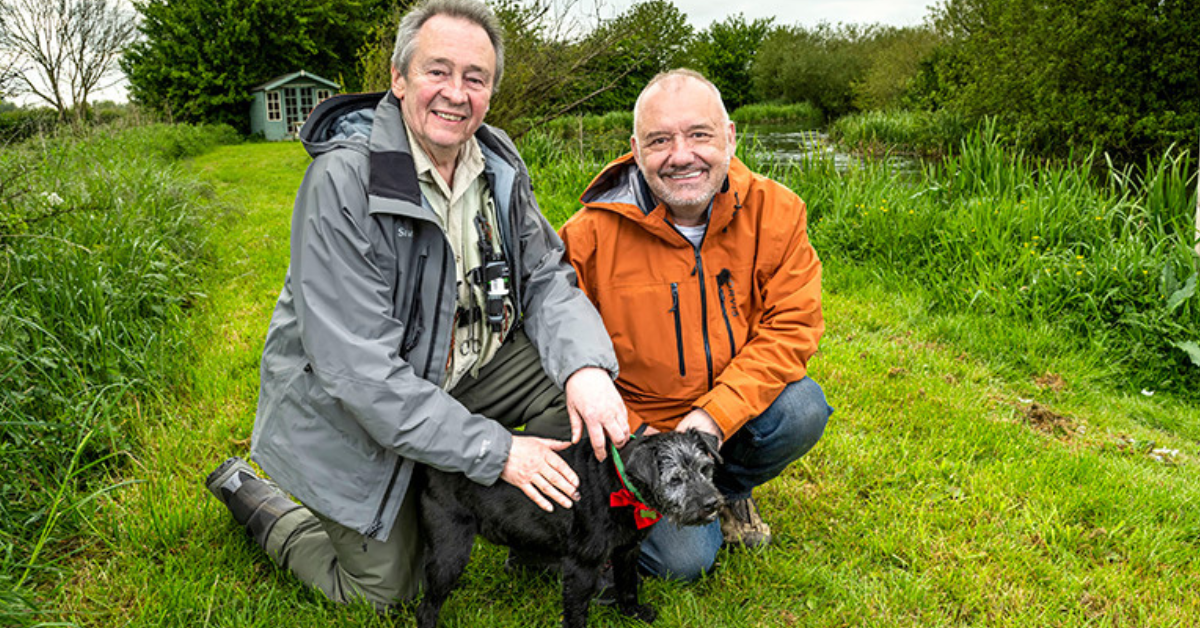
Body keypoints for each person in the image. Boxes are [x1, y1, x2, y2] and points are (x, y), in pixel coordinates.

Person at [204, 0, 629, 612]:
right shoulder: (343, 182)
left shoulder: (499, 161)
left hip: (469, 372)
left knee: (580, 404)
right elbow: (360, 372)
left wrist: (587, 368)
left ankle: (535, 541)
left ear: (490, 93)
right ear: (399, 79)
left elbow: (544, 275)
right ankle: (252, 495)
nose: (456, 93)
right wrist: (499, 452)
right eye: (438, 71)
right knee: (390, 589)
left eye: (475, 78)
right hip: (355, 409)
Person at [559, 69, 832, 581]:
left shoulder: (779, 212)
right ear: (635, 148)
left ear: (729, 136)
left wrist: (714, 416)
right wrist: (639, 441)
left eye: (699, 135)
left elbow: (791, 326)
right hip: (638, 428)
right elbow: (559, 342)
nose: (681, 155)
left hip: (728, 411)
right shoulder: (587, 235)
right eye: (660, 140)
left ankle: (724, 491)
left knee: (801, 408)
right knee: (682, 563)